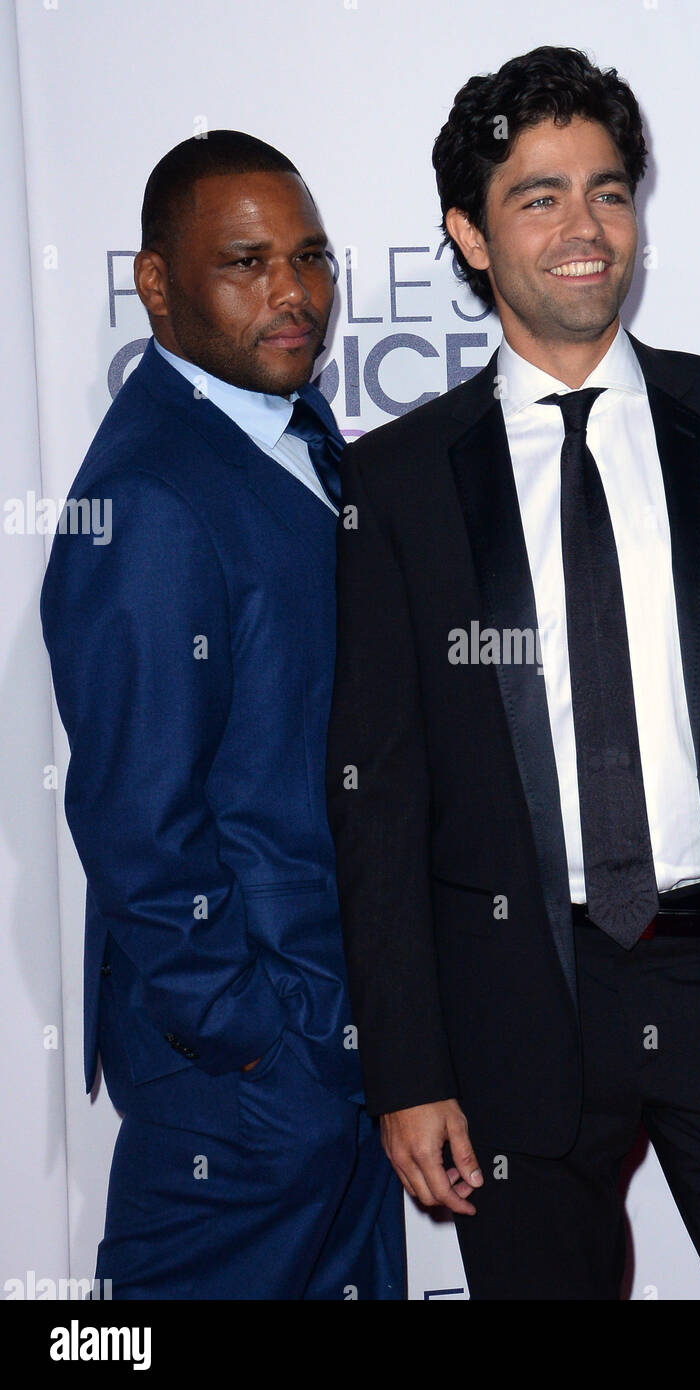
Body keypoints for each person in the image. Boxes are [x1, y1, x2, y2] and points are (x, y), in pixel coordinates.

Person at [327, 47, 700, 1300]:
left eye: (608, 189)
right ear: (468, 236)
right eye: (537, 197)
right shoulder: (399, 485)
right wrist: (407, 1068)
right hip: (512, 1004)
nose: (584, 228)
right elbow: (376, 800)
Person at [41, 130, 403, 1299]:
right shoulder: (150, 495)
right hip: (249, 1077)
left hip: (332, 1039)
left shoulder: (288, 431)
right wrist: (255, 1032)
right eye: (247, 263)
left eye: (310, 259)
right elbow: (134, 817)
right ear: (157, 284)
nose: (293, 295)